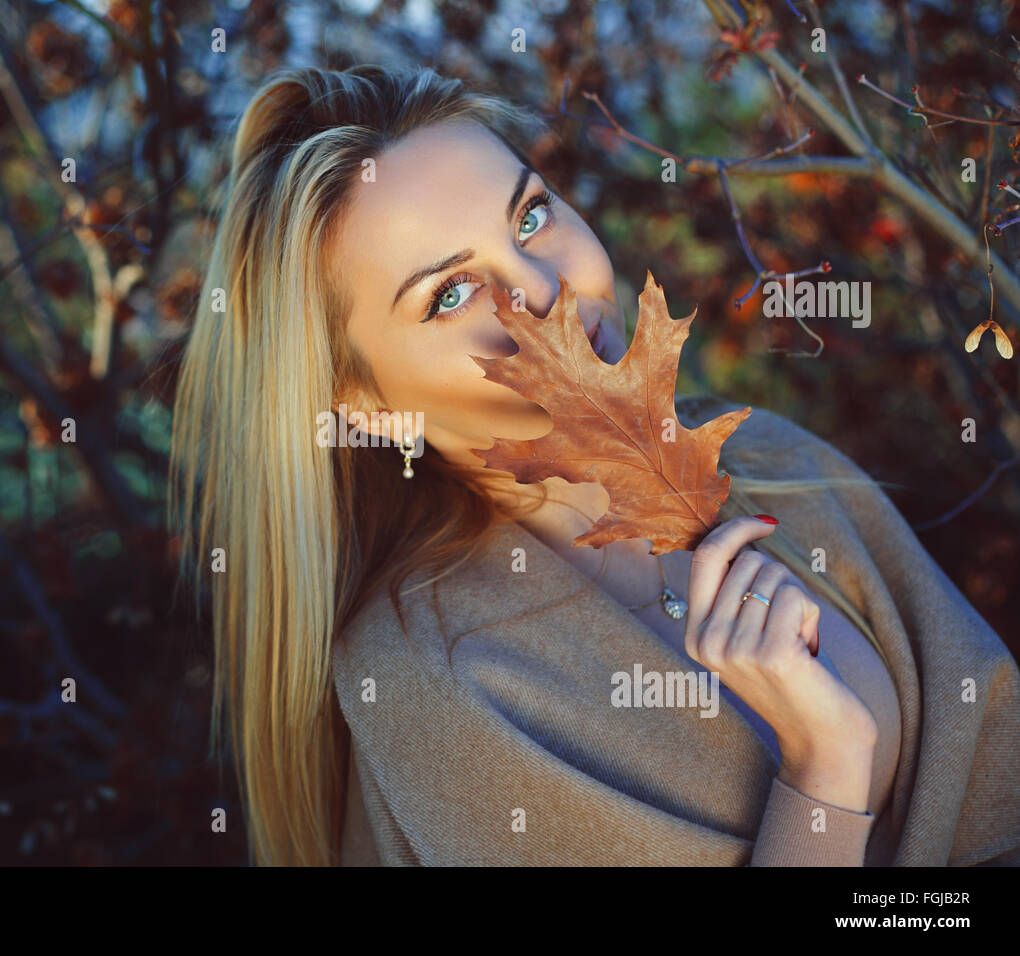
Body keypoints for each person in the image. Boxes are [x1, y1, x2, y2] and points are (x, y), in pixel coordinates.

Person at [169, 64, 1020, 866]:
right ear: (361, 406)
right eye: (452, 295)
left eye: (531, 217)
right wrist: (825, 774)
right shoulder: (439, 681)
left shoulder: (763, 454)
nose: (550, 293)